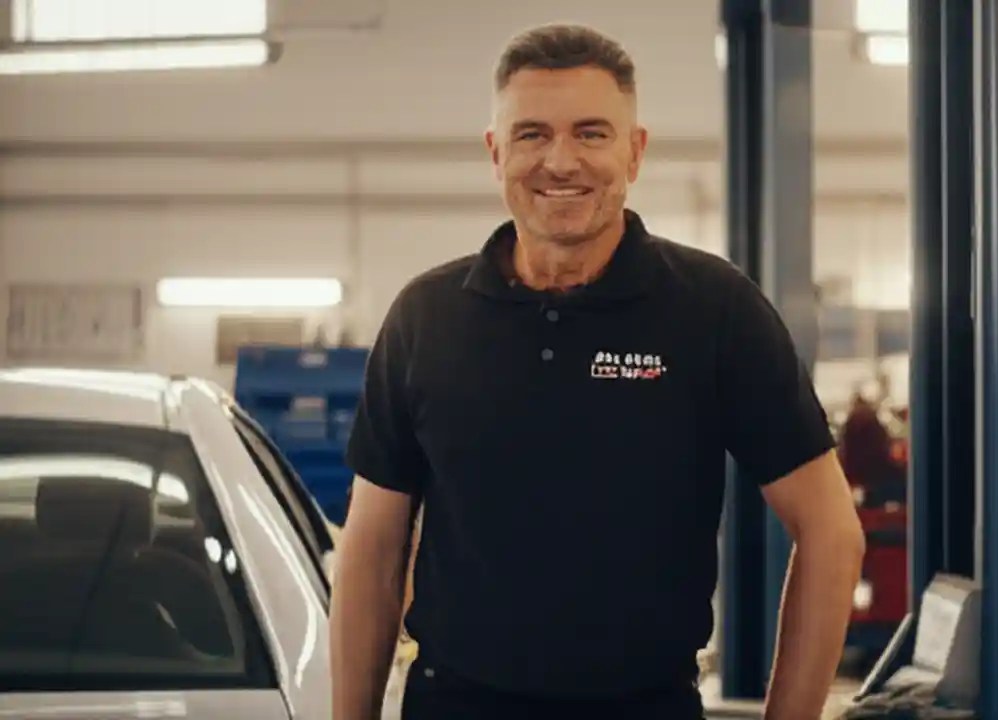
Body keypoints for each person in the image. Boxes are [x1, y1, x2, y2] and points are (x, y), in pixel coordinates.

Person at [329, 22, 865, 720]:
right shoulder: (424, 319)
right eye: (531, 134)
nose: (560, 161)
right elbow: (372, 549)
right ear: (495, 153)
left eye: (591, 133)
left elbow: (830, 532)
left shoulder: (713, 311)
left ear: (635, 152)